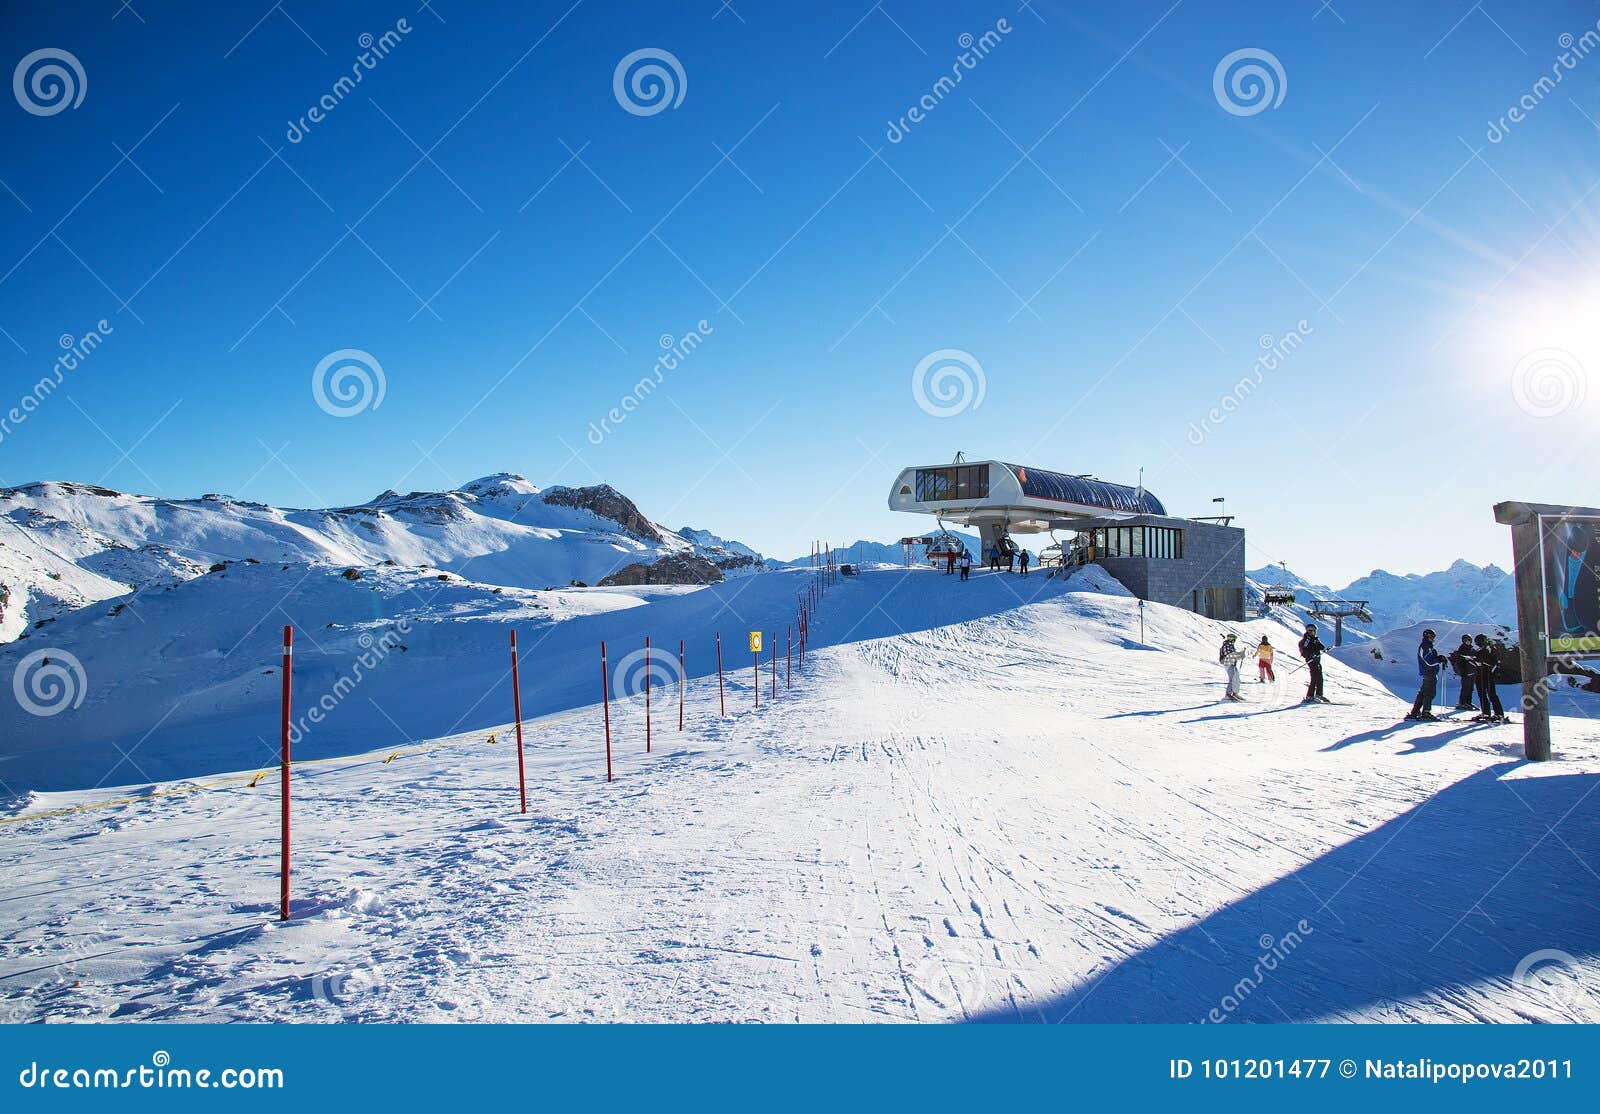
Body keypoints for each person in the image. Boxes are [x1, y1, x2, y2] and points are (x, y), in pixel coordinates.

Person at [1406, 629, 1445, 721]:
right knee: (1429, 693)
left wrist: (1439, 658)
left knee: (1423, 693)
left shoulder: (1428, 646)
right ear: (1426, 636)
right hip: (1429, 672)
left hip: (1428, 672)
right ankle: (1426, 712)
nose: (1433, 639)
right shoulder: (1425, 647)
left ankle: (1415, 712)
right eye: (1431, 637)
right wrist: (1439, 660)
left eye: (1433, 637)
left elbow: (1430, 658)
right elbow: (1428, 661)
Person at [1472, 634, 1507, 723]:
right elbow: (1477, 658)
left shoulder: (1490, 649)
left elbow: (1494, 663)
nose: (1479, 645)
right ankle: (1486, 713)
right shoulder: (1481, 650)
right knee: (1482, 694)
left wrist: (1484, 663)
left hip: (1488, 675)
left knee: (1492, 694)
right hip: (1480, 674)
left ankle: (1499, 713)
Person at [1298, 622, 1329, 703]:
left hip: (1317, 660)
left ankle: (1319, 695)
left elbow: (1321, 647)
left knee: (1320, 678)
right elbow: (1303, 650)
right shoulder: (1306, 640)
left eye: (1314, 630)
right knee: (1314, 677)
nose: (1313, 632)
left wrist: (1324, 649)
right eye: (1311, 630)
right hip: (1311, 660)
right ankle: (1310, 696)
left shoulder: (1315, 639)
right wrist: (1311, 655)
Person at [1447, 634, 1477, 711]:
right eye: (1466, 640)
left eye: (1469, 640)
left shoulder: (1472, 649)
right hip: (1466, 672)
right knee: (1465, 688)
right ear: (1463, 641)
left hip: (1472, 672)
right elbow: (1459, 662)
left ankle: (1468, 702)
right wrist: (1462, 671)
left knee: (1470, 688)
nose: (1468, 642)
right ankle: (1462, 703)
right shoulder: (1462, 649)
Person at [1219, 633, 1244, 701]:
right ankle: (1228, 694)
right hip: (1228, 663)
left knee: (1237, 678)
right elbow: (1230, 655)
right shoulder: (1226, 645)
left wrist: (1240, 655)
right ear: (1231, 639)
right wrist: (1240, 655)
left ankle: (1235, 693)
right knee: (1232, 678)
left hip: (1232, 663)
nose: (1235, 641)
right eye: (1234, 639)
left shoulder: (1230, 645)